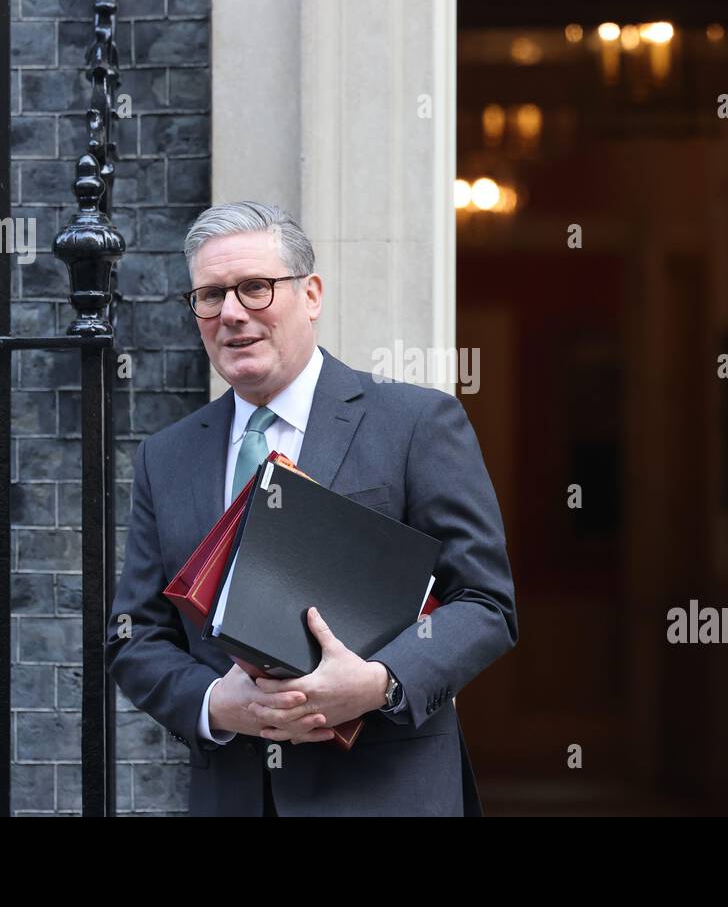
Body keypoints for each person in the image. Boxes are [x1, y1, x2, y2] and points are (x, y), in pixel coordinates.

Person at [104, 200, 518, 815]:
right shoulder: (166, 457)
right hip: (236, 796)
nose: (233, 314)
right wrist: (217, 702)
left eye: (255, 288)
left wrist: (380, 684)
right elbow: (135, 638)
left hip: (386, 794)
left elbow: (485, 604)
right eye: (211, 296)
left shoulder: (415, 423)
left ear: (312, 294)